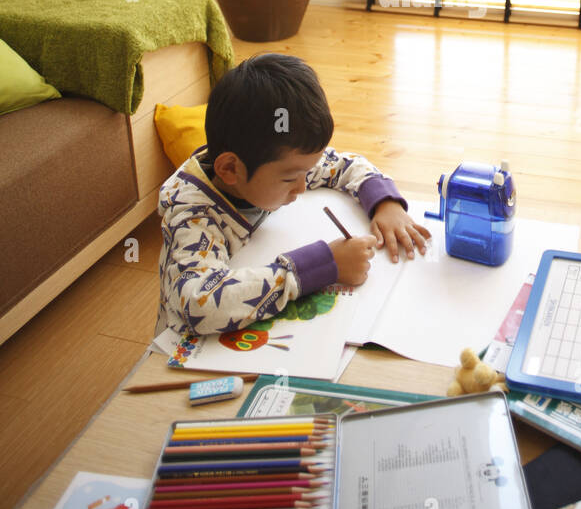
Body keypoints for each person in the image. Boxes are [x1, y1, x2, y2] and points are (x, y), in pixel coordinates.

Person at [154, 52, 429, 337]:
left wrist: (386, 203)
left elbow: (346, 165)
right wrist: (323, 265)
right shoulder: (192, 215)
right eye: (290, 179)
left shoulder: (276, 161)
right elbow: (203, 305)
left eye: (305, 172)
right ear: (230, 169)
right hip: (185, 351)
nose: (301, 185)